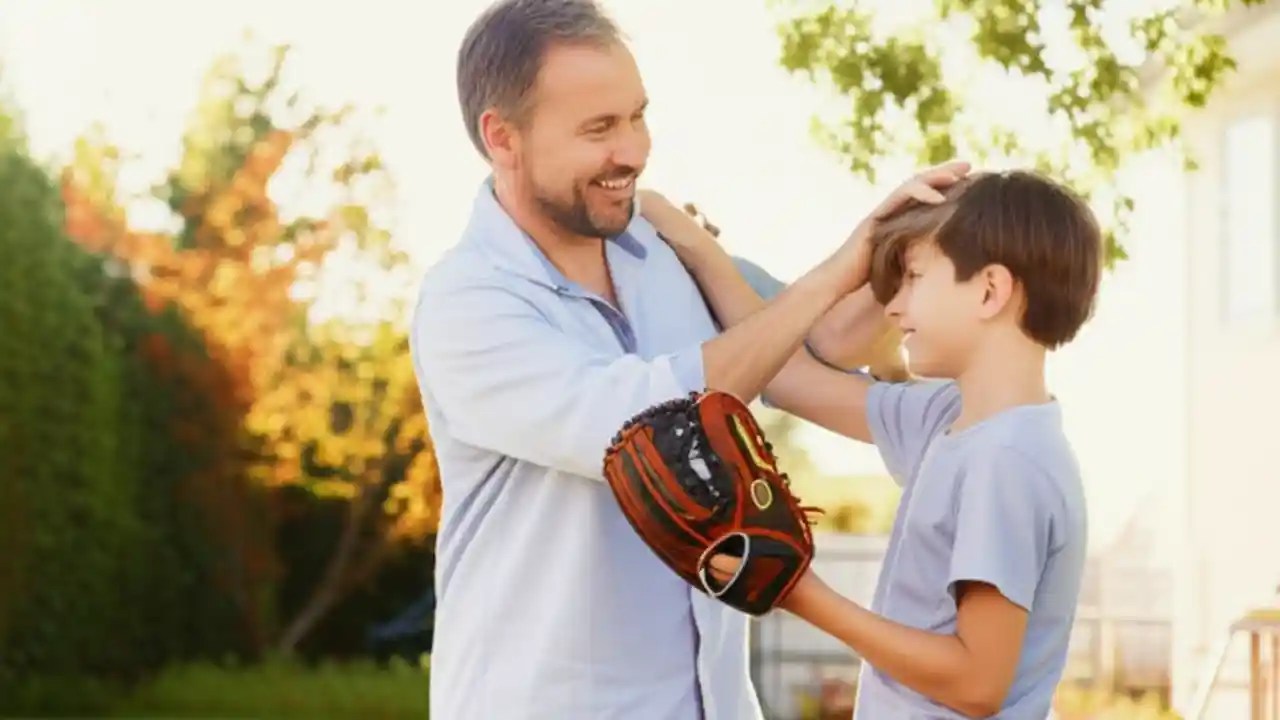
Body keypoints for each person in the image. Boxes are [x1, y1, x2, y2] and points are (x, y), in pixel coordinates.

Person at [411, 1, 967, 717]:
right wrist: (834, 271)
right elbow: (650, 426)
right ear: (502, 137)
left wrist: (906, 247)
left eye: (637, 116)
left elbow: (815, 340)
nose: (635, 151)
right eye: (599, 128)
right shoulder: (469, 305)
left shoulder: (668, 249)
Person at [640, 169, 1099, 719]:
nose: (895, 306)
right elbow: (790, 377)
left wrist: (803, 596)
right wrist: (697, 247)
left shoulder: (1005, 461)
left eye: (914, 278)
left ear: (990, 290)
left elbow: (976, 682)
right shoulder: (949, 418)